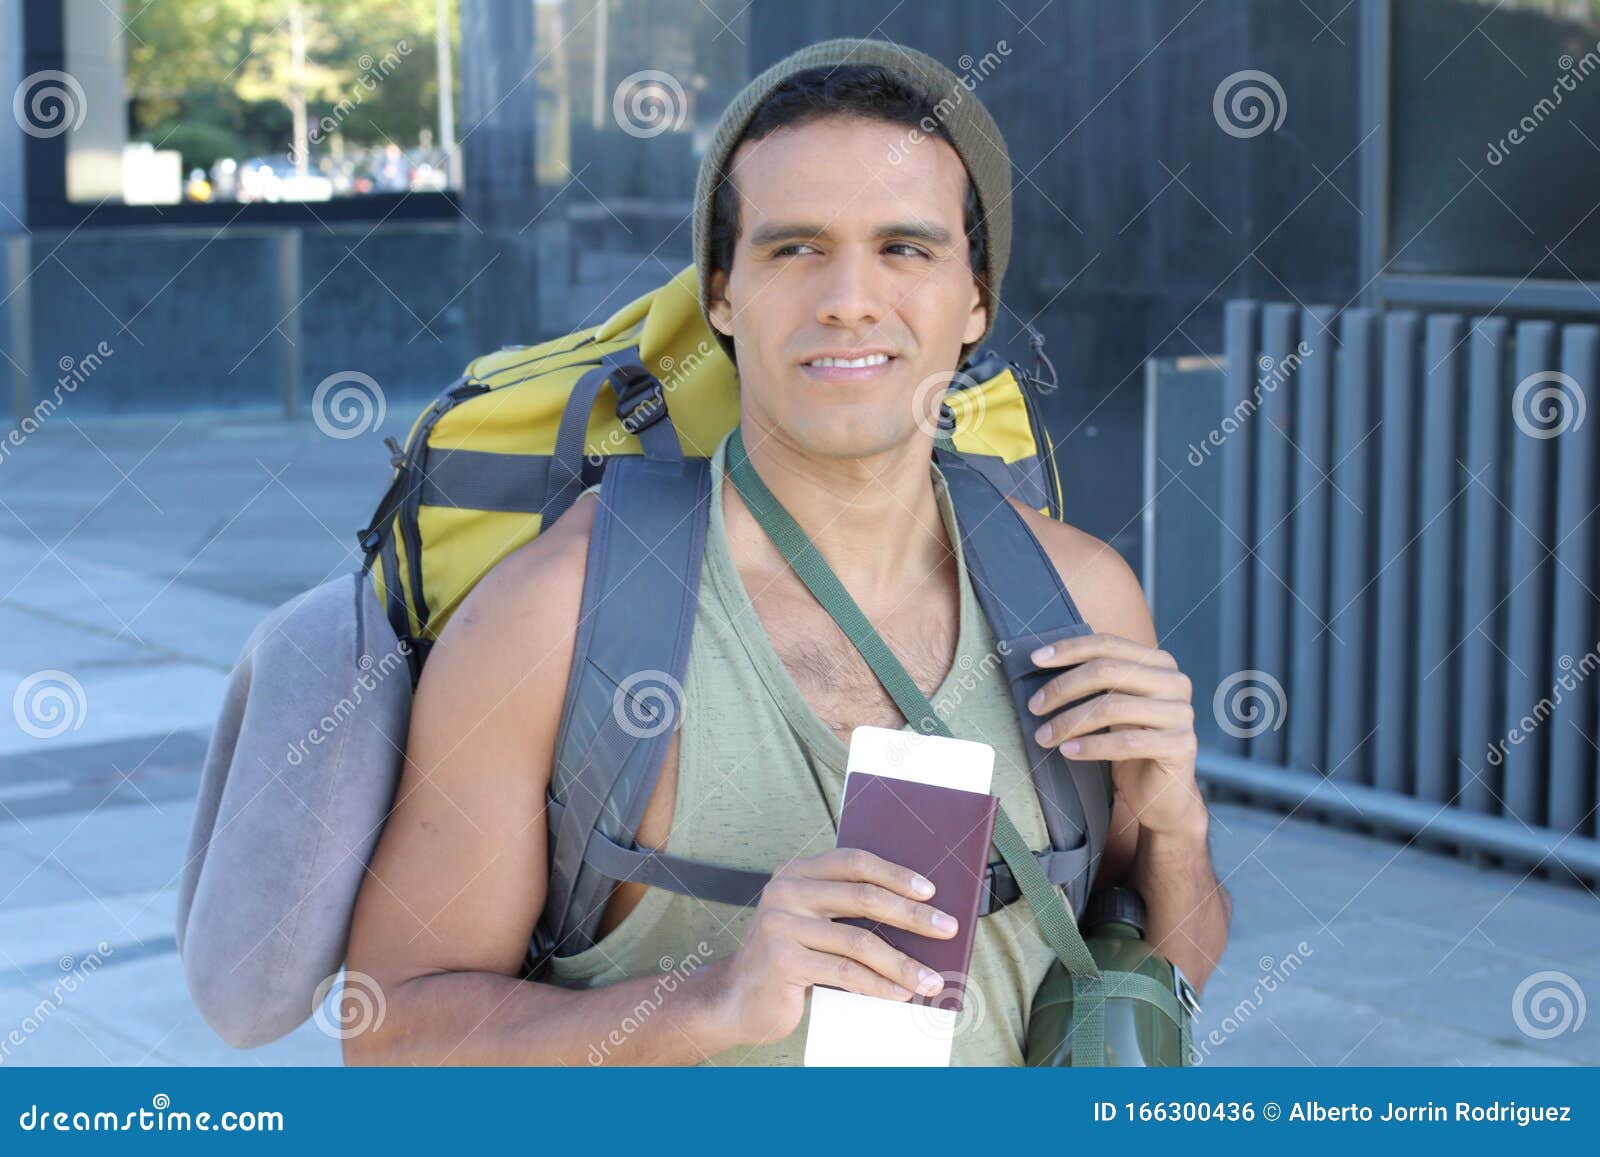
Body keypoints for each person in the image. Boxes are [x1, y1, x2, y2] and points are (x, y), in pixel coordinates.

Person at [343, 36, 1230, 1066]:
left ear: (975, 300)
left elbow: (1159, 978)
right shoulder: (562, 612)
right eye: (794, 246)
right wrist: (713, 1000)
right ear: (722, 292)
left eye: (905, 247)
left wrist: (1175, 827)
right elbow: (389, 1035)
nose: (849, 296)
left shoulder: (1079, 597)